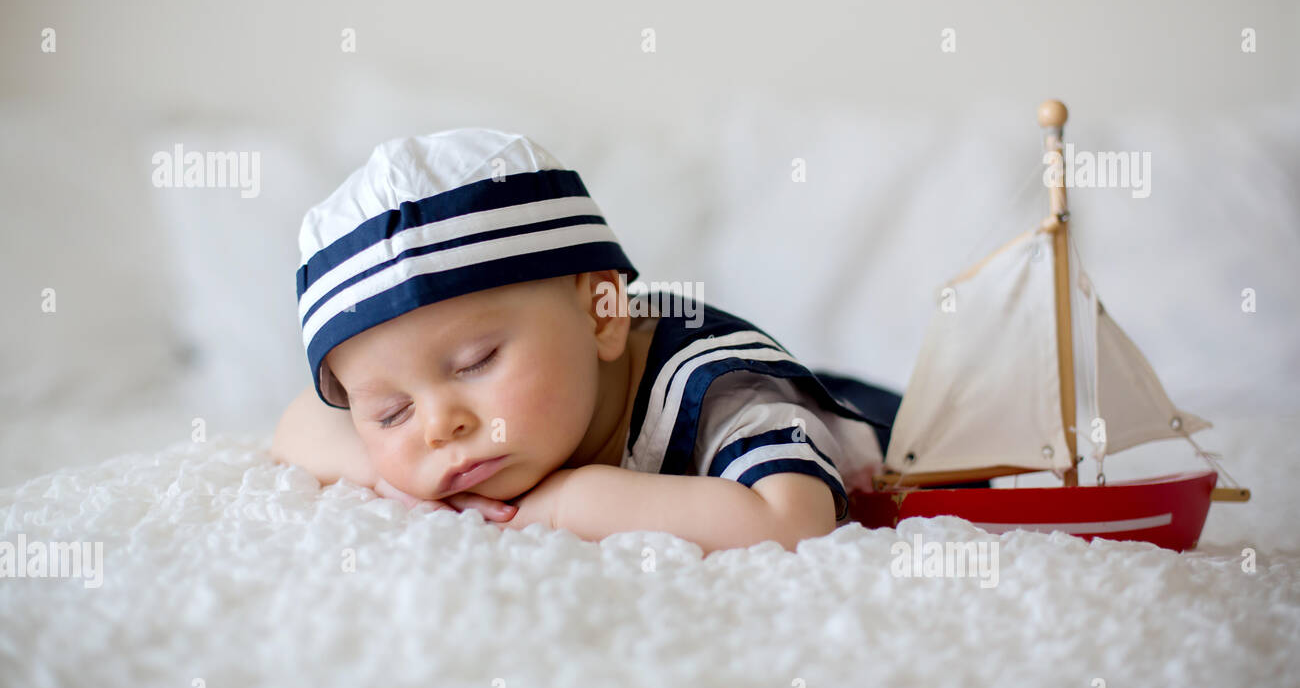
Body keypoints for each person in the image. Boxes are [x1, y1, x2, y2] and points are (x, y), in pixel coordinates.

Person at [271, 128, 904, 554]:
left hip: (904, 438)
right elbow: (297, 424)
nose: (438, 426)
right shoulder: (440, 428)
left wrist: (566, 500)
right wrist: (388, 472)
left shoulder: (717, 389)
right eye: (392, 411)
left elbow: (792, 519)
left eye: (476, 362)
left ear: (602, 313)